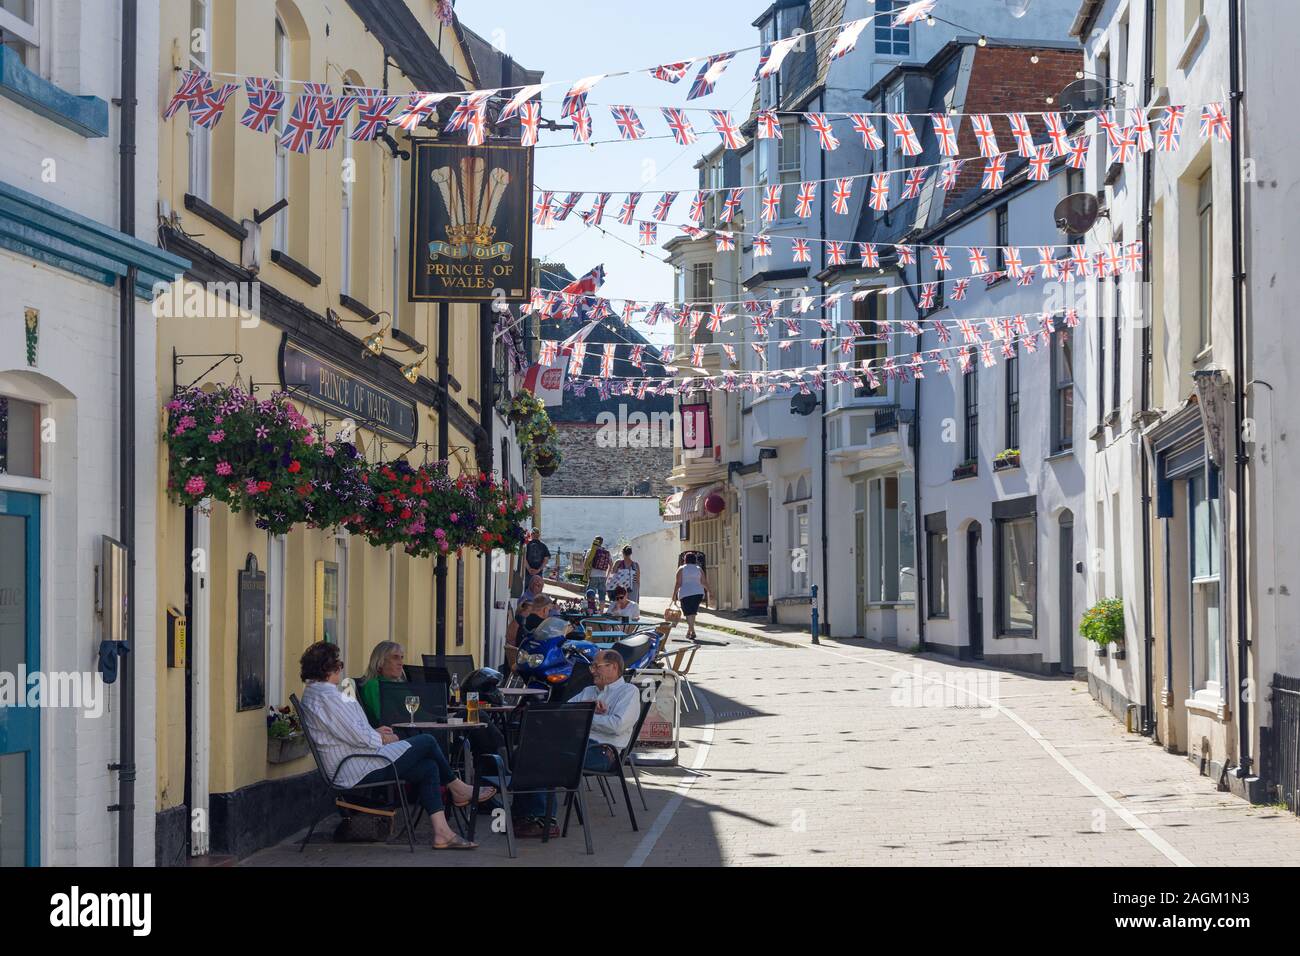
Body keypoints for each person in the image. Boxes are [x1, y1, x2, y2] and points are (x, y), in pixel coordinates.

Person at [296, 641, 491, 851]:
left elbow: (351, 729)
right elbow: (356, 734)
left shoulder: (320, 693)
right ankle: (458, 788)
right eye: (339, 663)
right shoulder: (328, 697)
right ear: (327, 668)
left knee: (428, 767)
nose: (341, 668)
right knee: (427, 741)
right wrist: (381, 739)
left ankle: (442, 832)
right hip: (356, 767)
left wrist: (376, 733)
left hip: (361, 758)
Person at [567, 650, 642, 772]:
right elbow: (562, 713)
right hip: (576, 743)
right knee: (537, 749)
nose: (592, 671)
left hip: (602, 752)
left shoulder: (628, 691)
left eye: (596, 667)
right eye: (592, 667)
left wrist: (586, 715)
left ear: (613, 667)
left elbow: (617, 726)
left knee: (549, 756)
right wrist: (585, 706)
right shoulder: (589, 691)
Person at [671, 552, 710, 641]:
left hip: (685, 593)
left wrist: (674, 595)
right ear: (695, 560)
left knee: (688, 613)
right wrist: (709, 591)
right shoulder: (698, 568)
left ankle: (692, 630)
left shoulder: (681, 569)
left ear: (685, 560)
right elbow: (703, 582)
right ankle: (690, 631)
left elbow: (678, 583)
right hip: (698, 593)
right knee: (693, 612)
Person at [583, 536, 612, 603]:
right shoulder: (606, 552)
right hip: (603, 576)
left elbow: (585, 564)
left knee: (590, 594)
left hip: (593, 576)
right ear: (602, 543)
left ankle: (591, 610)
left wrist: (585, 573)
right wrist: (607, 575)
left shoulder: (591, 551)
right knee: (602, 596)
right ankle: (601, 611)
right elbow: (611, 564)